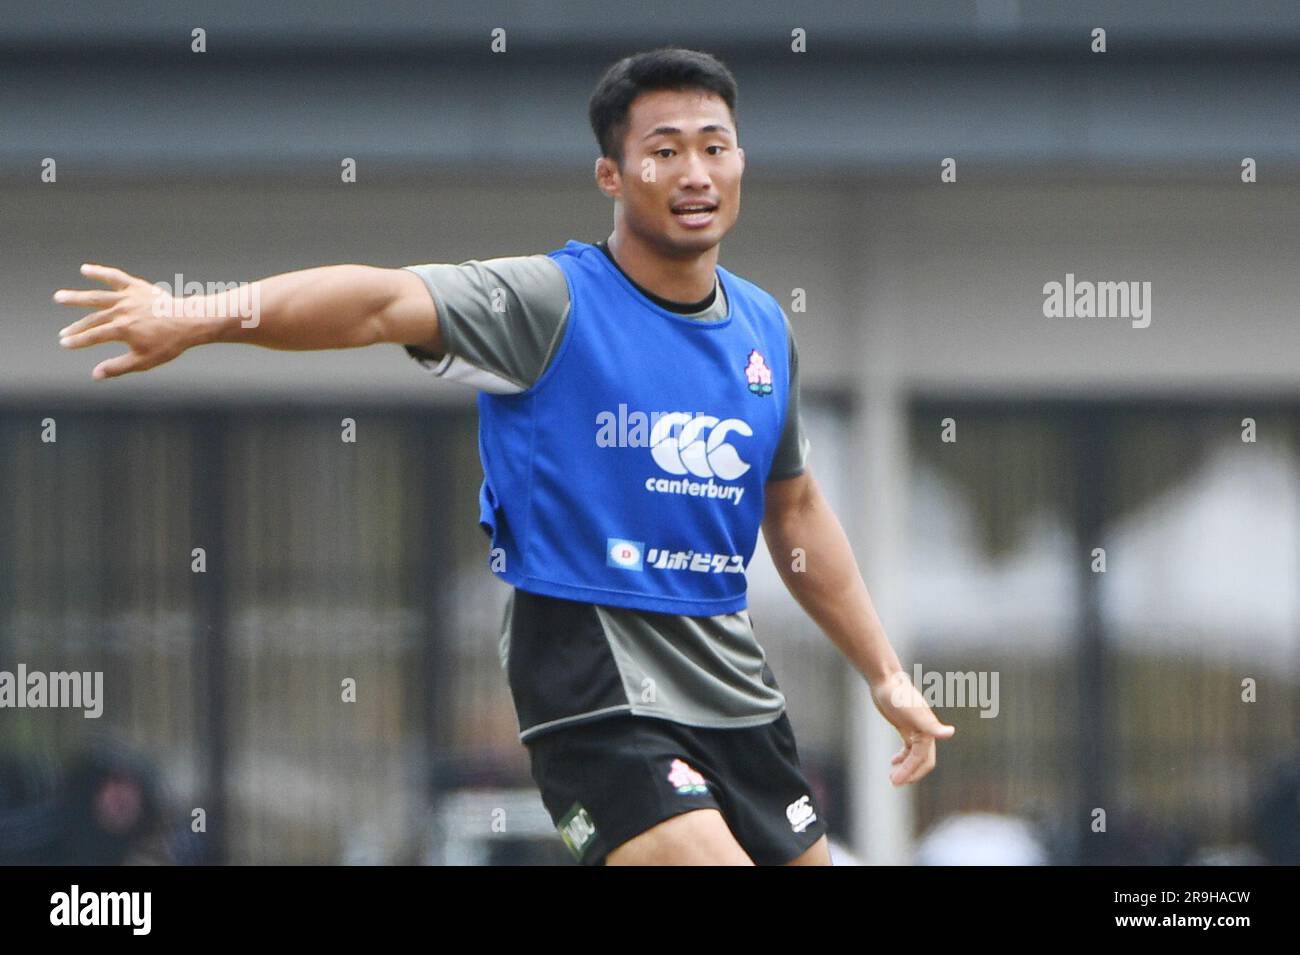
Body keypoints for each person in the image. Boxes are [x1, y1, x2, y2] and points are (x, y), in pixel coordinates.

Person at [53, 46, 955, 866]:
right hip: (593, 673)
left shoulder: (763, 328)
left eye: (715, 147)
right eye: (664, 149)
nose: (694, 172)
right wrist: (202, 315)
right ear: (611, 172)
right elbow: (376, 301)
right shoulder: (548, 301)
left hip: (732, 684)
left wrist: (885, 673)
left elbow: (793, 511)